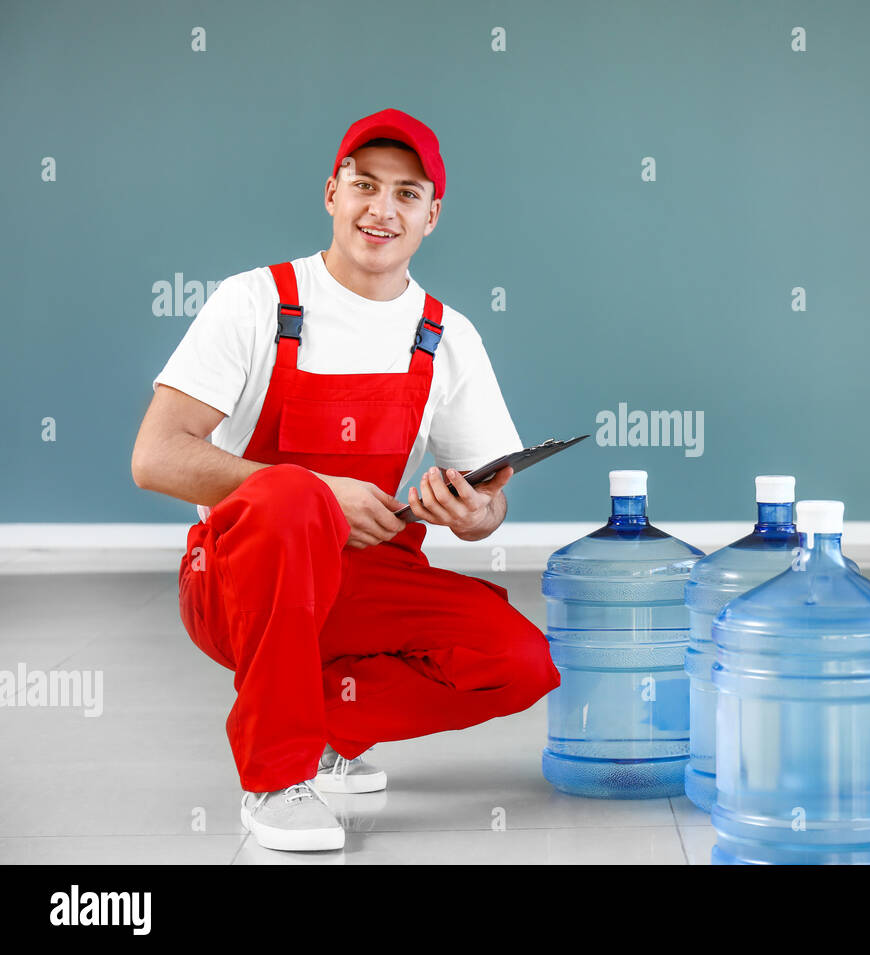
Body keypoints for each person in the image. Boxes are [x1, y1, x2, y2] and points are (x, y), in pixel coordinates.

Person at [130, 108, 561, 852]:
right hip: (236, 581)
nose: (381, 210)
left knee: (520, 661)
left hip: (363, 582)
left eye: (406, 193)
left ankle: (322, 725)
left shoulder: (445, 333)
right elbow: (156, 456)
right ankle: (274, 777)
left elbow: (492, 509)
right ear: (332, 193)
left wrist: (470, 511)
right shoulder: (256, 302)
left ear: (433, 213)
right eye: (364, 185)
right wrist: (320, 491)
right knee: (293, 491)